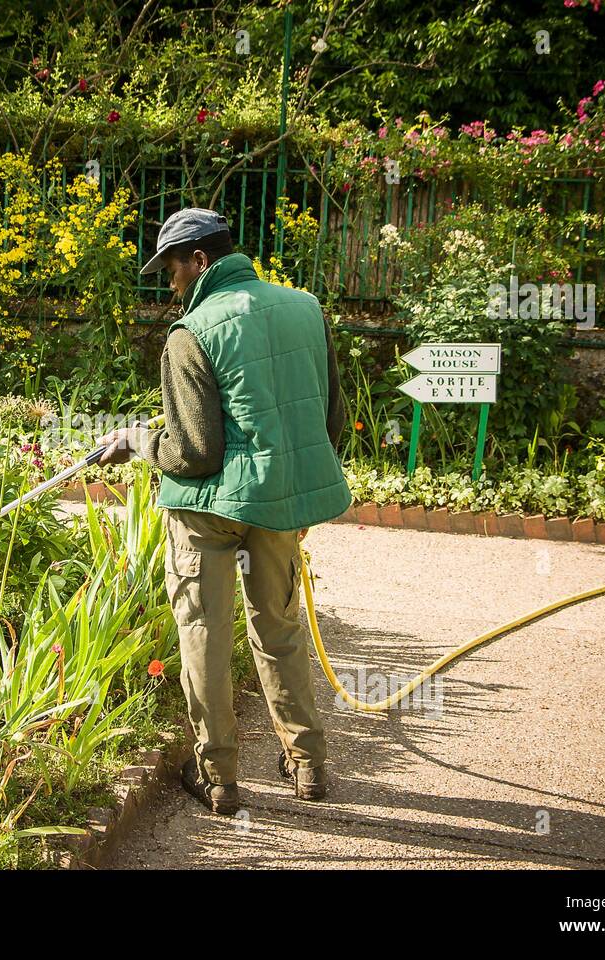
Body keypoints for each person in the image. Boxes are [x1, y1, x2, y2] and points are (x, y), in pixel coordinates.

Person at [96, 207, 350, 816]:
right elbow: (332, 420)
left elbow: (196, 453)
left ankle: (218, 778)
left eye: (174, 270)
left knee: (205, 632)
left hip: (210, 512)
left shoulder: (192, 333)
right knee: (280, 628)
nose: (171, 283)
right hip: (279, 504)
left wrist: (137, 440)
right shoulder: (306, 309)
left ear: (201, 260)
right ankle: (308, 764)